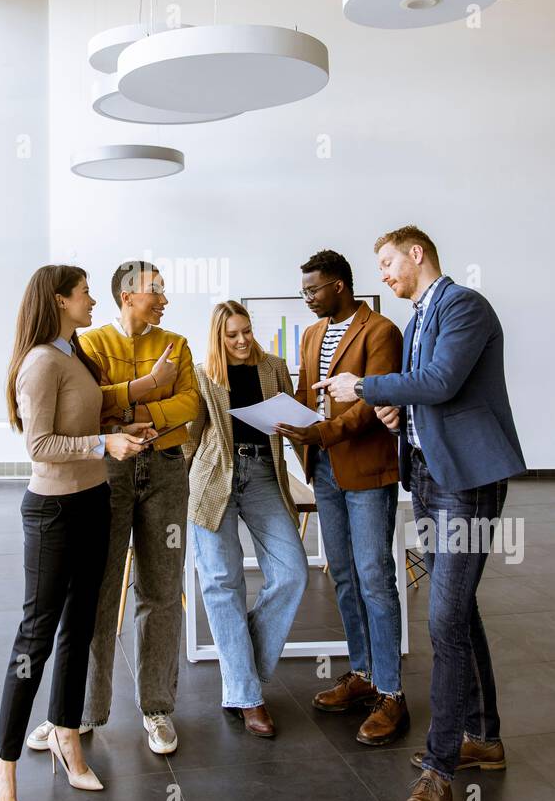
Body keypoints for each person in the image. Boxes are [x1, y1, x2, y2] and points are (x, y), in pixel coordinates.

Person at [319, 226, 525, 801]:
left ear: (417, 255)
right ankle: (483, 739)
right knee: (458, 610)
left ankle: (439, 772)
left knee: (442, 619)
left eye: (386, 262)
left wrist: (363, 386)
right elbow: (423, 396)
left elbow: (441, 383)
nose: (381, 273)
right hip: (431, 481)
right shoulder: (415, 321)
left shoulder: (464, 306)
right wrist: (392, 409)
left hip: (467, 483)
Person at [0, 265, 151, 801]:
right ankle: (2, 769)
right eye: (83, 293)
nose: (90, 301)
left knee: (79, 627)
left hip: (94, 501)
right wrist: (103, 442)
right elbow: (39, 446)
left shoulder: (73, 354)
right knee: (36, 635)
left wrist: (123, 427)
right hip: (54, 512)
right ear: (60, 300)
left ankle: (65, 736)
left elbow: (84, 415)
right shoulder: (39, 361)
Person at [27, 260, 200, 756]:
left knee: (162, 589)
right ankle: (79, 713)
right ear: (128, 295)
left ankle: (157, 708)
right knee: (98, 593)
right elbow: (87, 406)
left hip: (166, 470)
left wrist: (136, 413)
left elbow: (190, 404)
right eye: (155, 291)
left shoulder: (178, 345)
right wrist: (143, 396)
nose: (164, 300)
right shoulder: (91, 343)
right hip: (109, 473)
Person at [276, 250, 408, 745]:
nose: (307, 298)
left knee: (375, 575)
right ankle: (363, 674)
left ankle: (392, 694)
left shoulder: (380, 331)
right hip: (325, 469)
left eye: (314, 289)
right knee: (346, 573)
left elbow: (374, 402)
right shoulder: (311, 335)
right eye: (304, 290)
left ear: (340, 285)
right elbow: (312, 398)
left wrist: (324, 433)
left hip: (365, 466)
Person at [183, 301, 309, 736]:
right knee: (222, 583)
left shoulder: (273, 367)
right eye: (232, 335)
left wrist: (294, 426)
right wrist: (184, 484)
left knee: (292, 572)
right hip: (213, 476)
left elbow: (290, 421)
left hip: (262, 475)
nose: (241, 341)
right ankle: (248, 696)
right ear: (218, 337)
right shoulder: (202, 375)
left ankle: (243, 671)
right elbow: (191, 436)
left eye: (246, 332)